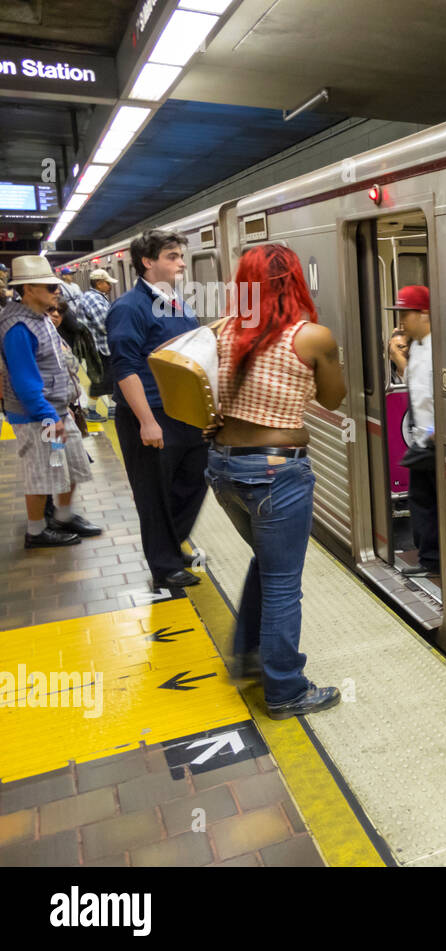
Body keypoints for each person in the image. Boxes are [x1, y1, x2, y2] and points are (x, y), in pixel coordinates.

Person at [207, 243, 346, 719]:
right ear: (293, 282)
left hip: (223, 468)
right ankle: (286, 690)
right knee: (284, 581)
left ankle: (248, 654)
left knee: (268, 564)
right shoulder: (311, 338)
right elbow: (335, 398)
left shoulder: (224, 331)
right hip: (276, 472)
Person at [107, 229, 207, 590]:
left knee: (194, 480)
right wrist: (147, 422)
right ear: (148, 263)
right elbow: (125, 367)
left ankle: (170, 543)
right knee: (155, 492)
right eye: (172, 257)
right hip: (149, 414)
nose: (181, 263)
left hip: (184, 413)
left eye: (181, 256)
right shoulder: (129, 308)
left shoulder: (174, 301)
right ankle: (164, 566)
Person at [0, 255, 101, 548]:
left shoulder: (40, 315)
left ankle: (64, 516)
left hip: (57, 411)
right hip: (38, 418)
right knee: (43, 471)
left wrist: (63, 405)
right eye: (48, 286)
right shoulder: (18, 328)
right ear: (28, 288)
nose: (56, 290)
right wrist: (48, 415)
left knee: (67, 463)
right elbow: (25, 382)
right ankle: (36, 532)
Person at [385, 285, 440, 577]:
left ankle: (433, 560)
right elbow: (417, 385)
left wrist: (434, 432)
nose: (402, 320)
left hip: (435, 440)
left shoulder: (439, 346)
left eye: (407, 313)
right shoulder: (417, 345)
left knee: (428, 502)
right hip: (423, 439)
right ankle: (430, 558)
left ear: (424, 313)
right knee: (421, 501)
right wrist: (398, 357)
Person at [80, 268, 117, 420]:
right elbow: (104, 324)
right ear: (99, 283)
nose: (110, 286)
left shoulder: (94, 296)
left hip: (99, 347)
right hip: (99, 348)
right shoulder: (94, 299)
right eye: (107, 283)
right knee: (100, 381)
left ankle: (112, 409)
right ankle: (91, 410)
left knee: (109, 378)